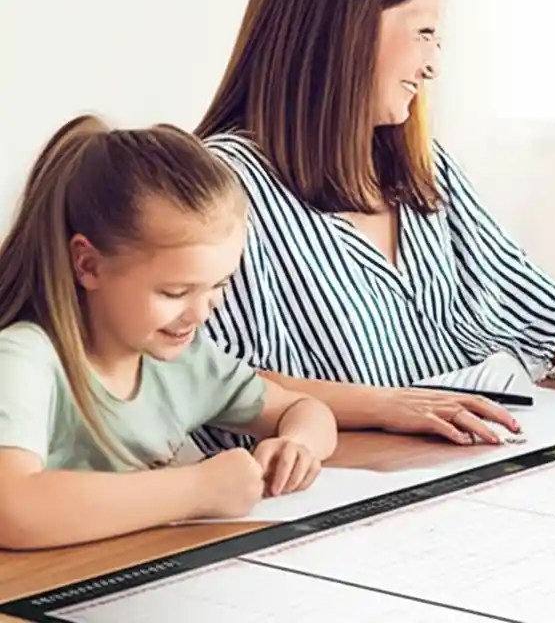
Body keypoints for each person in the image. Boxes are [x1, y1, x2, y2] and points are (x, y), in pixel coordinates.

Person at [190, 0, 555, 454]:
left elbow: (540, 310)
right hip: (341, 487)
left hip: (475, 466)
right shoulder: (221, 187)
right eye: (423, 34)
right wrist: (389, 406)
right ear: (345, 27)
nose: (433, 63)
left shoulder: (420, 168)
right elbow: (208, 385)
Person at [0, 116, 338, 550]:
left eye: (219, 286)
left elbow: (307, 410)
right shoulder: (23, 358)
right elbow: (12, 508)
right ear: (89, 265)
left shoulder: (183, 359)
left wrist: (297, 445)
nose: (200, 312)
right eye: (175, 291)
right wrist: (197, 490)